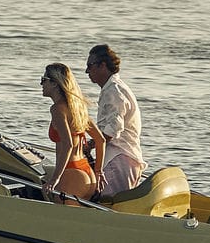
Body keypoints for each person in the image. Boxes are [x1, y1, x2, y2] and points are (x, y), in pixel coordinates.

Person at [39, 62, 103, 202]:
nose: (41, 84)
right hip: (87, 172)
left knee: (61, 220)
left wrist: (54, 180)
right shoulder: (78, 108)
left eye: (44, 80)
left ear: (55, 84)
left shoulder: (57, 109)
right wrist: (98, 172)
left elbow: (67, 144)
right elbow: (100, 140)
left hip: (72, 173)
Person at [86, 44, 145, 196]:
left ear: (103, 65)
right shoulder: (112, 88)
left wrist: (90, 145)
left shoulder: (114, 91)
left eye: (90, 66)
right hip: (122, 159)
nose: (87, 71)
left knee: (105, 205)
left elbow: (112, 130)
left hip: (118, 159)